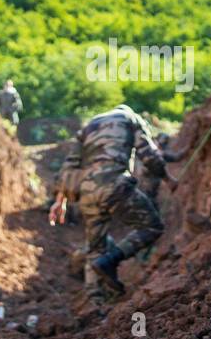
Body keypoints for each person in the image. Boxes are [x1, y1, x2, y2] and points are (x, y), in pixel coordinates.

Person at [48, 104, 172, 295]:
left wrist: (60, 200)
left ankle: (95, 300)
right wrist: (168, 179)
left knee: (96, 248)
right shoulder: (131, 119)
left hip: (87, 191)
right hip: (115, 185)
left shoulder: (89, 126)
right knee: (152, 226)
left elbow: (69, 167)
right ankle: (111, 260)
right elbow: (150, 157)